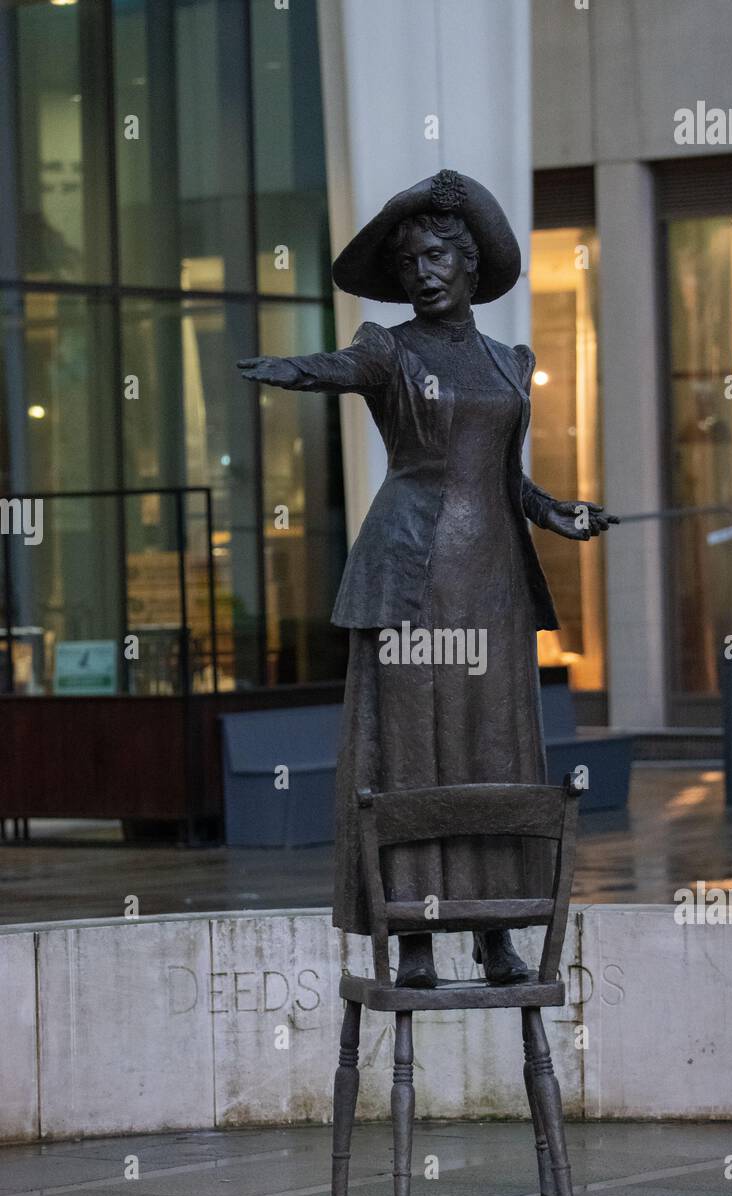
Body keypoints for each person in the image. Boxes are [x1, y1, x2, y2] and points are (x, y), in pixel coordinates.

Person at [238, 169, 617, 988]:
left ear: (471, 264)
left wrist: (559, 514)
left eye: (439, 254)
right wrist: (293, 371)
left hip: (492, 583)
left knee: (494, 746)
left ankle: (495, 931)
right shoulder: (389, 348)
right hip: (412, 578)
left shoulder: (511, 362)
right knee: (413, 753)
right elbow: (339, 368)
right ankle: (413, 932)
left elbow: (503, 476)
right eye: (410, 262)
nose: (424, 272)